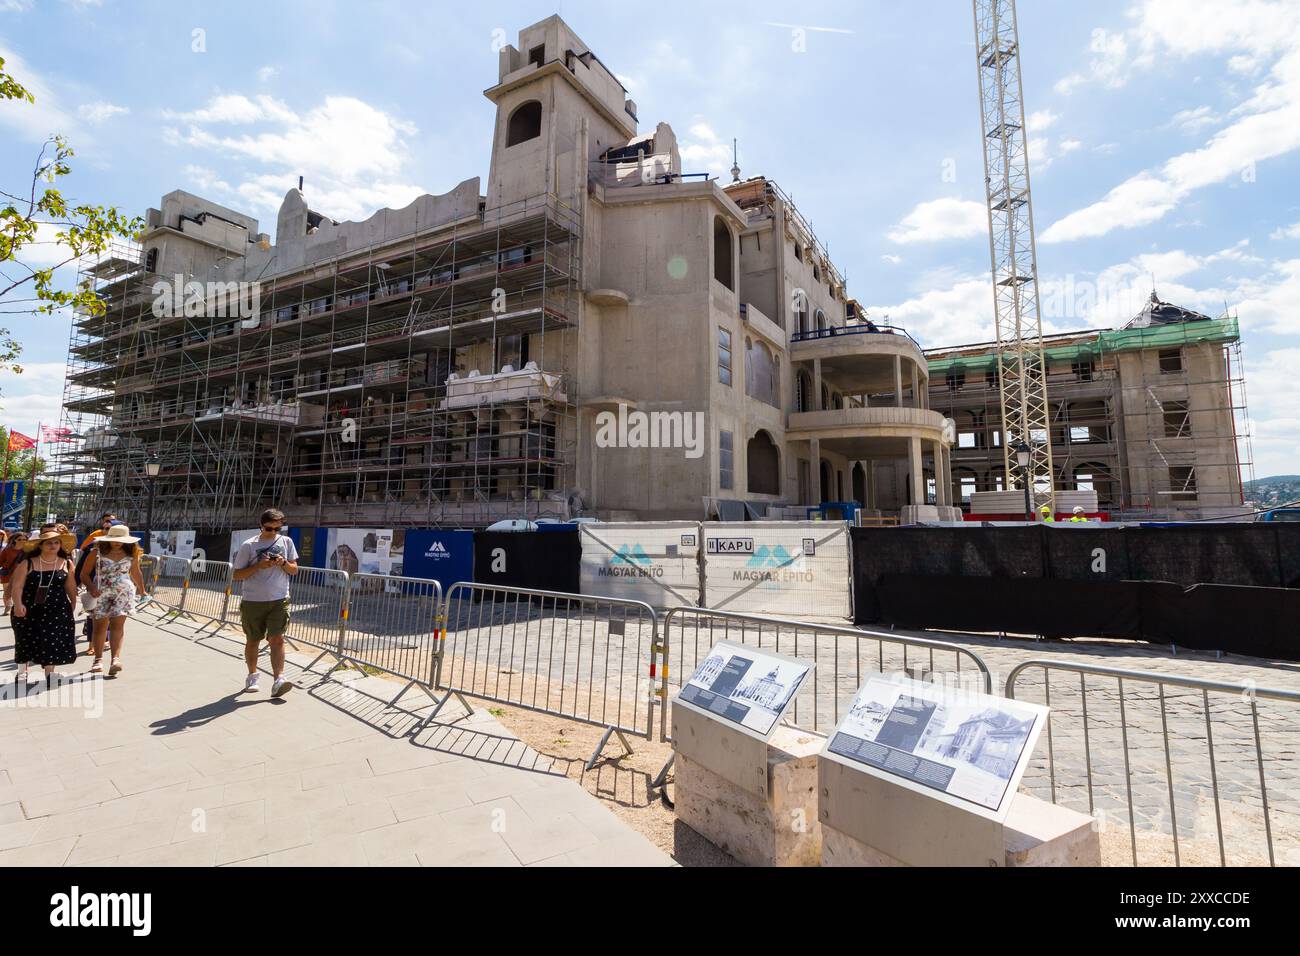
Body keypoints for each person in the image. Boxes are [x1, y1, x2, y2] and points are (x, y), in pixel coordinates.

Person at [231, 509, 299, 697]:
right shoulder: (248, 545)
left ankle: (279, 680)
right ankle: (252, 676)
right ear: (261, 526)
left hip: (279, 599)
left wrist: (283, 562)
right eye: (269, 528)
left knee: (277, 639)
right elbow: (236, 575)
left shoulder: (286, 542)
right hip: (253, 600)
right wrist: (258, 566)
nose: (273, 532)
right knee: (253, 640)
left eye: (278, 528)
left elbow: (294, 570)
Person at [11, 529, 78, 688]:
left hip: (56, 609)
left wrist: (73, 602)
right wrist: (18, 604)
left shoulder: (66, 563)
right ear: (40, 545)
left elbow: (70, 586)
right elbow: (17, 586)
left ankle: (50, 674)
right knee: (24, 639)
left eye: (56, 542)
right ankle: (22, 671)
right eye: (48, 543)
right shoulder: (27, 563)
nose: (53, 545)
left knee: (52, 640)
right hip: (29, 609)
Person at [79, 524, 146, 677]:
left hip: (123, 592)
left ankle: (115, 659)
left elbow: (136, 572)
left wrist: (142, 590)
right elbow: (83, 574)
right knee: (100, 627)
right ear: (108, 539)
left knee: (117, 625)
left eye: (121, 539)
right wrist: (91, 588)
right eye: (114, 539)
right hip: (100, 592)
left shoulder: (132, 553)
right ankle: (98, 659)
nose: (117, 542)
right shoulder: (96, 552)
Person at [76, 514, 120, 654]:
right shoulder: (92, 547)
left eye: (110, 528)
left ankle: (108, 647)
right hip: (96, 587)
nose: (106, 531)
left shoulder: (126, 549)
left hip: (116, 591)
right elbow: (81, 569)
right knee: (93, 617)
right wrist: (79, 585)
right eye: (105, 528)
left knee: (112, 619)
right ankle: (91, 646)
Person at [1, 531, 29, 613]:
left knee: (19, 590)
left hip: (22, 574)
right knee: (7, 591)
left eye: (24, 539)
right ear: (15, 540)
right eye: (19, 539)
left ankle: (17, 605)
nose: (22, 541)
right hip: (8, 573)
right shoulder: (7, 550)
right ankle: (8, 605)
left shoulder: (28, 551)